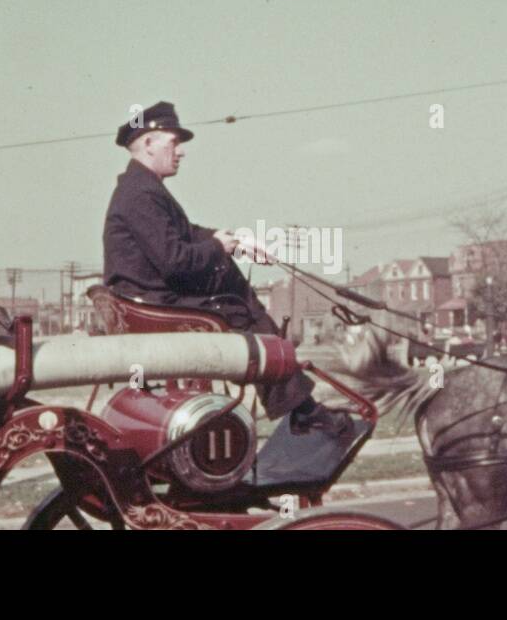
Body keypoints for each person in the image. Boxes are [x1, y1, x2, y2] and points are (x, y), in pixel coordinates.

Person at [103, 101, 352, 436]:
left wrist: (238, 240)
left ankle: (298, 407)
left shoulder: (141, 188)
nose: (181, 151)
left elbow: (188, 233)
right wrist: (219, 247)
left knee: (236, 291)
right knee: (239, 305)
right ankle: (301, 410)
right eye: (173, 142)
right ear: (148, 142)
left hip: (147, 300)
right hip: (156, 304)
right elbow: (175, 262)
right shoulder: (141, 194)